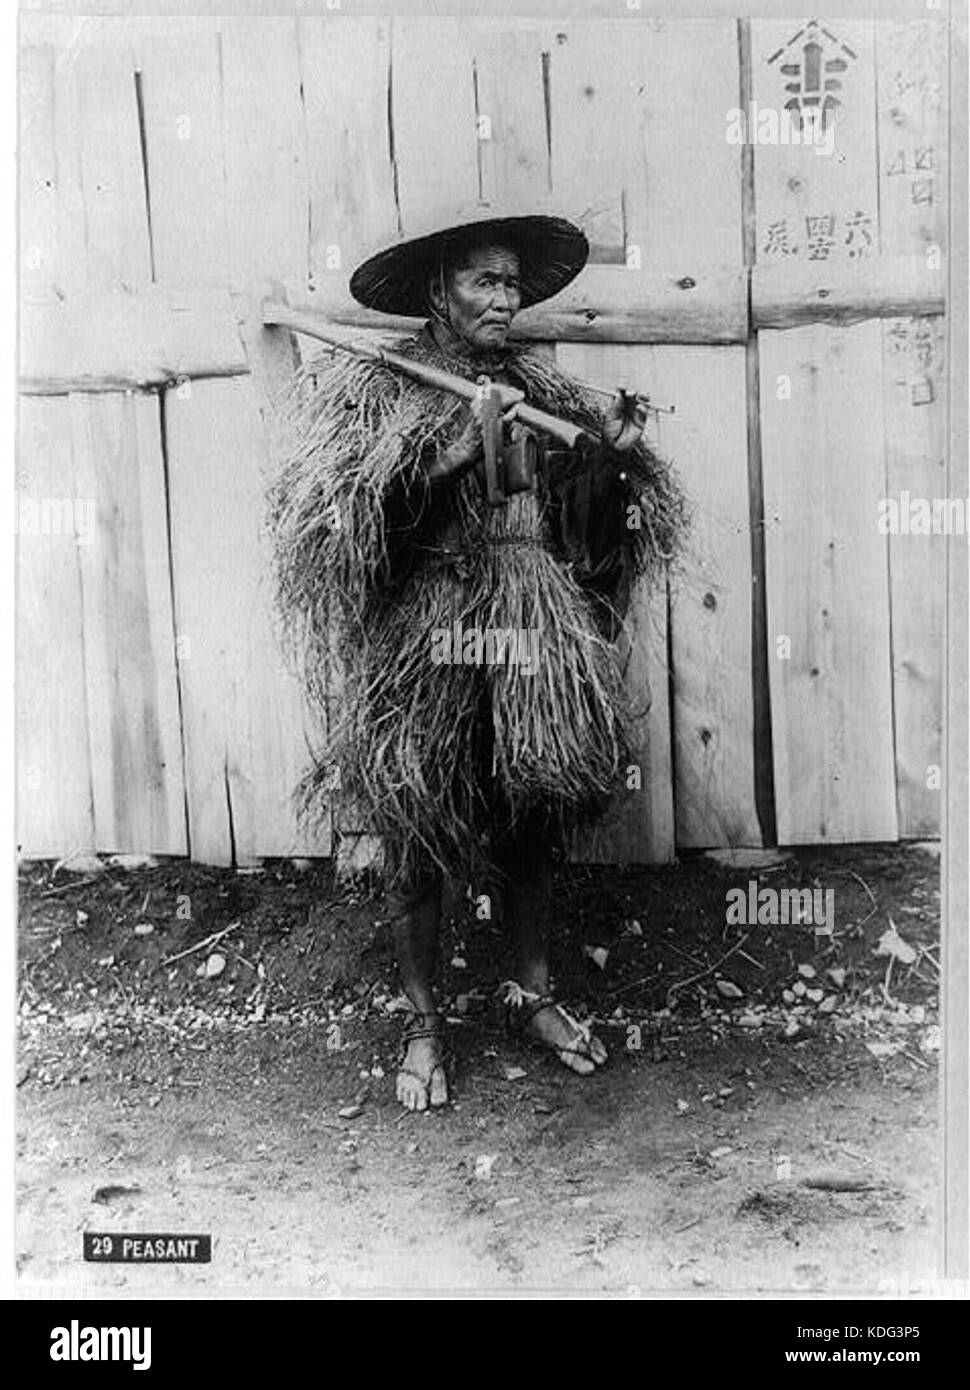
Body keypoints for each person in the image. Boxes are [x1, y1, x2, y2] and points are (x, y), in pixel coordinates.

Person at [270, 208, 686, 1112]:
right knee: (420, 820)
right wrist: (447, 460)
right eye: (482, 282)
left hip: (529, 638)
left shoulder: (541, 389)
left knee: (530, 812)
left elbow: (595, 538)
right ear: (436, 291)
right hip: (433, 635)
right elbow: (343, 539)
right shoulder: (383, 392)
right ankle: (424, 1025)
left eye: (511, 283)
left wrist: (611, 463)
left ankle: (532, 996)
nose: (503, 300)